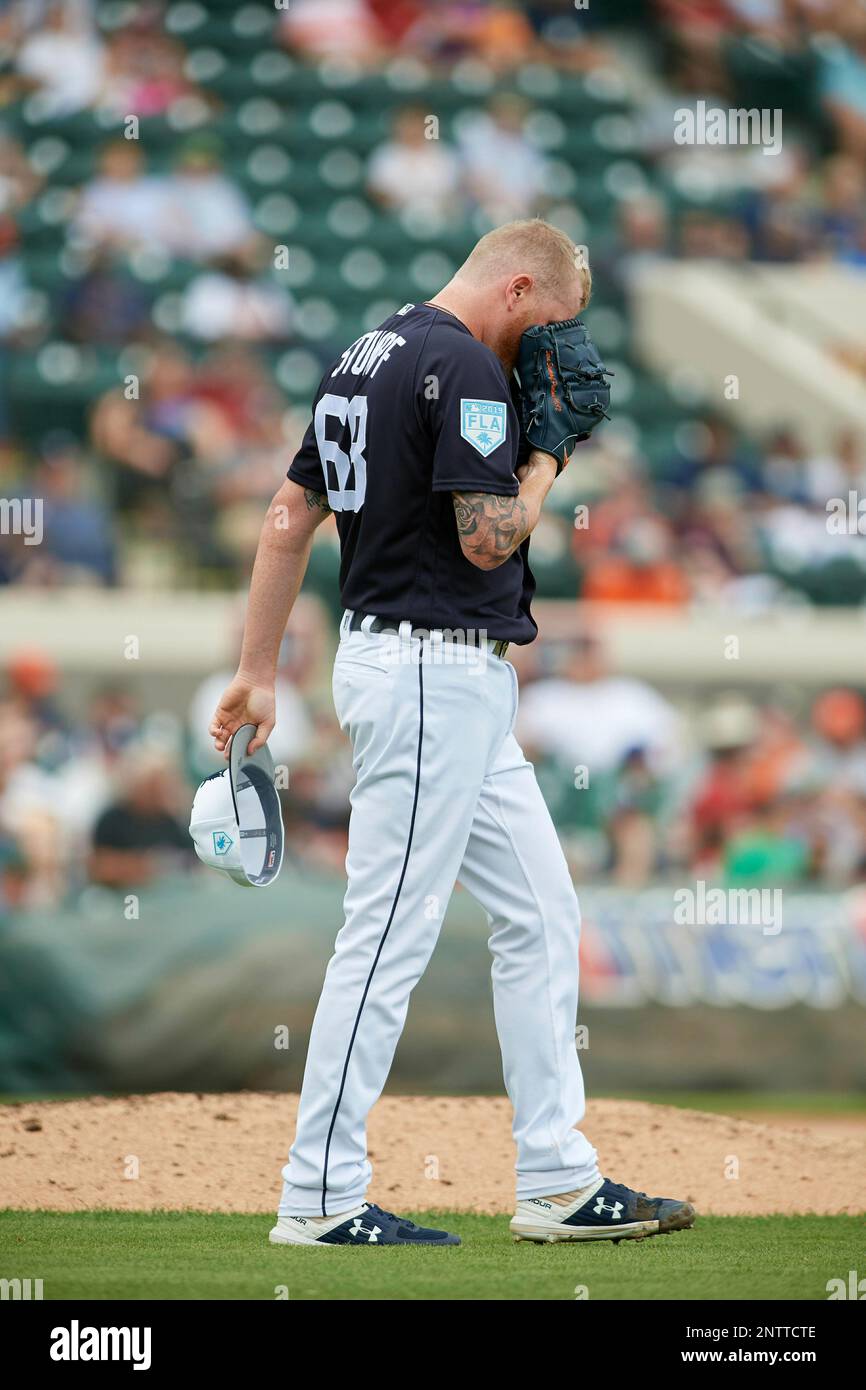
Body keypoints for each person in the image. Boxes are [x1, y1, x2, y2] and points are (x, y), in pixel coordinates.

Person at [209, 218, 695, 1247]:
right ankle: (320, 1194)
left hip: (421, 668)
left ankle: (557, 1177)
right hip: (432, 669)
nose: (557, 349)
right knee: (387, 934)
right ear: (517, 288)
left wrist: (256, 671)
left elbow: (287, 518)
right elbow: (485, 542)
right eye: (553, 321)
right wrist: (549, 455)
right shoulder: (468, 363)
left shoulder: (364, 353)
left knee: (539, 908)